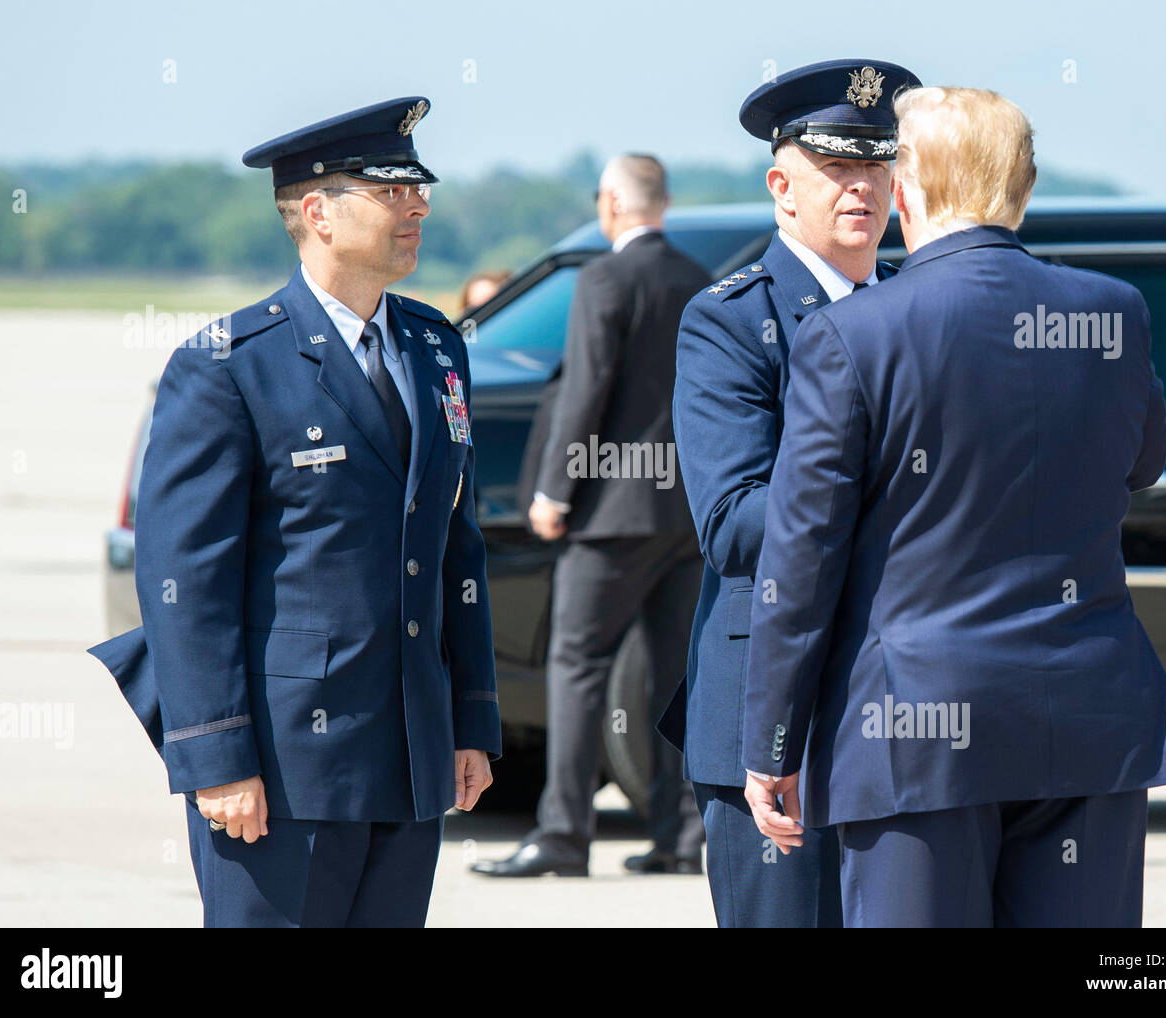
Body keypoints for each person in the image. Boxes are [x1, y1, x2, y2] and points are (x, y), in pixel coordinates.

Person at [741, 86, 1166, 927]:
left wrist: (771, 742)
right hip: (1089, 719)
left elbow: (801, 560)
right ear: (1022, 191)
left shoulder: (855, 333)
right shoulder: (1114, 311)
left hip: (915, 731)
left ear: (907, 191)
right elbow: (1145, 463)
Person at [87, 96, 501, 927]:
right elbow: (185, 583)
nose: (417, 204)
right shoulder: (230, 366)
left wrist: (470, 720)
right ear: (316, 211)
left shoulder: (433, 345)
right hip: (281, 769)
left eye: (418, 187)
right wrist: (215, 757)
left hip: (410, 755)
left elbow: (455, 545)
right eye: (389, 190)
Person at [656, 59, 920, 927]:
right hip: (779, 713)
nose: (862, 188)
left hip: (911, 699)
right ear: (782, 185)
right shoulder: (731, 320)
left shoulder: (923, 308)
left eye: (878, 166)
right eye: (837, 167)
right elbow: (733, 524)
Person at [472, 155, 708, 878]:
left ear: (611, 204)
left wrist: (554, 492)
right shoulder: (697, 281)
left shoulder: (605, 278)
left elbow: (586, 391)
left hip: (610, 514)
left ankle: (564, 835)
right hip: (684, 515)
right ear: (662, 203)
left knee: (575, 667)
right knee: (677, 679)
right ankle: (681, 836)